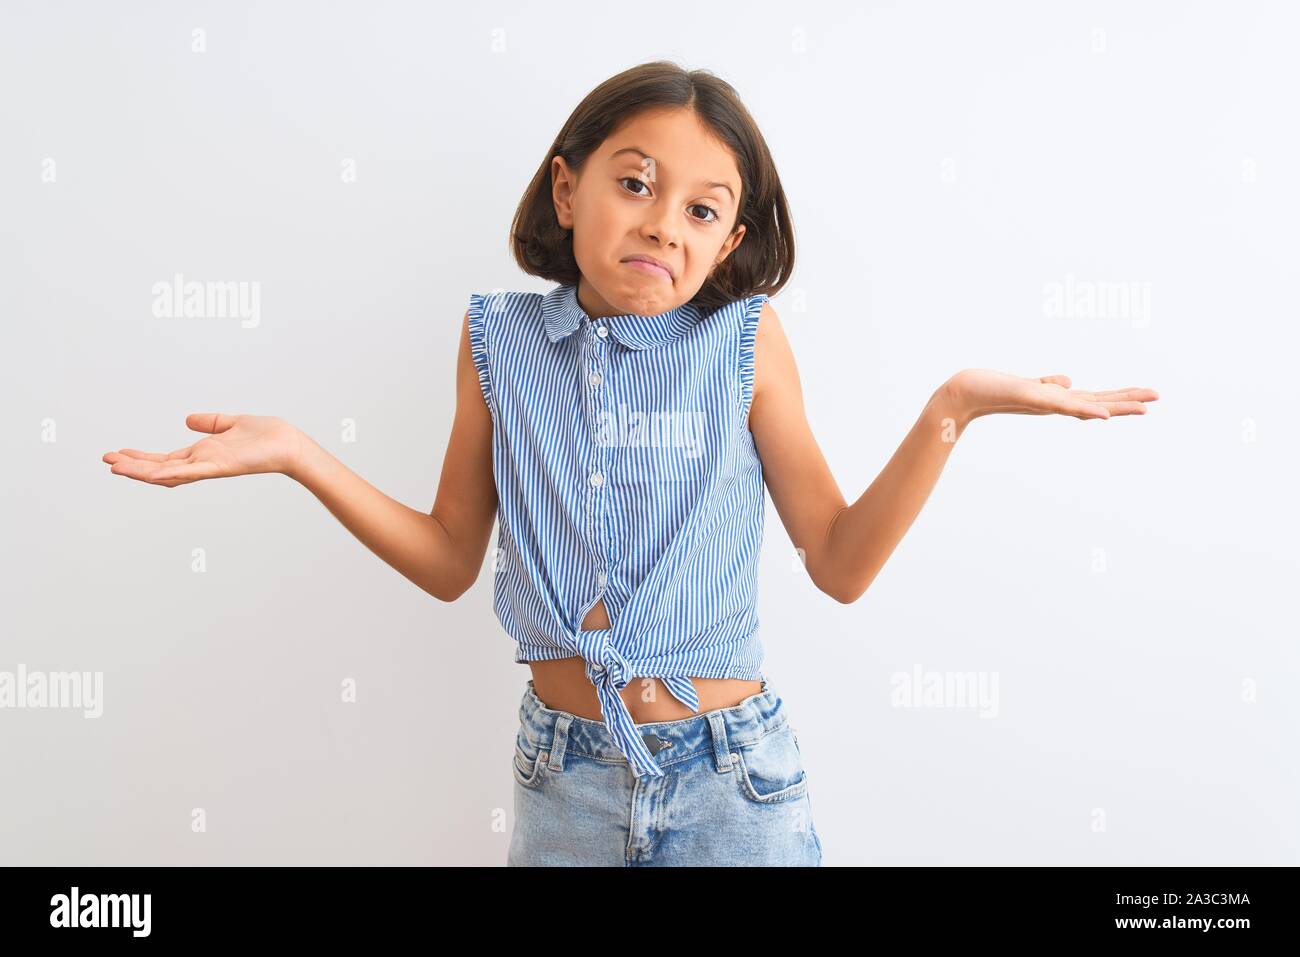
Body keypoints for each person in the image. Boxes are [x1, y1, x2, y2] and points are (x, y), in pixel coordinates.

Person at [102, 61, 1158, 866]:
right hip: (561, 775)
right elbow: (447, 559)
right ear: (568, 190)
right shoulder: (494, 341)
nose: (662, 222)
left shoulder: (743, 342)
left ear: (728, 236)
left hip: (730, 779)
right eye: (634, 182)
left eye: (700, 208)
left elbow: (837, 562)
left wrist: (952, 409)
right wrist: (299, 455)